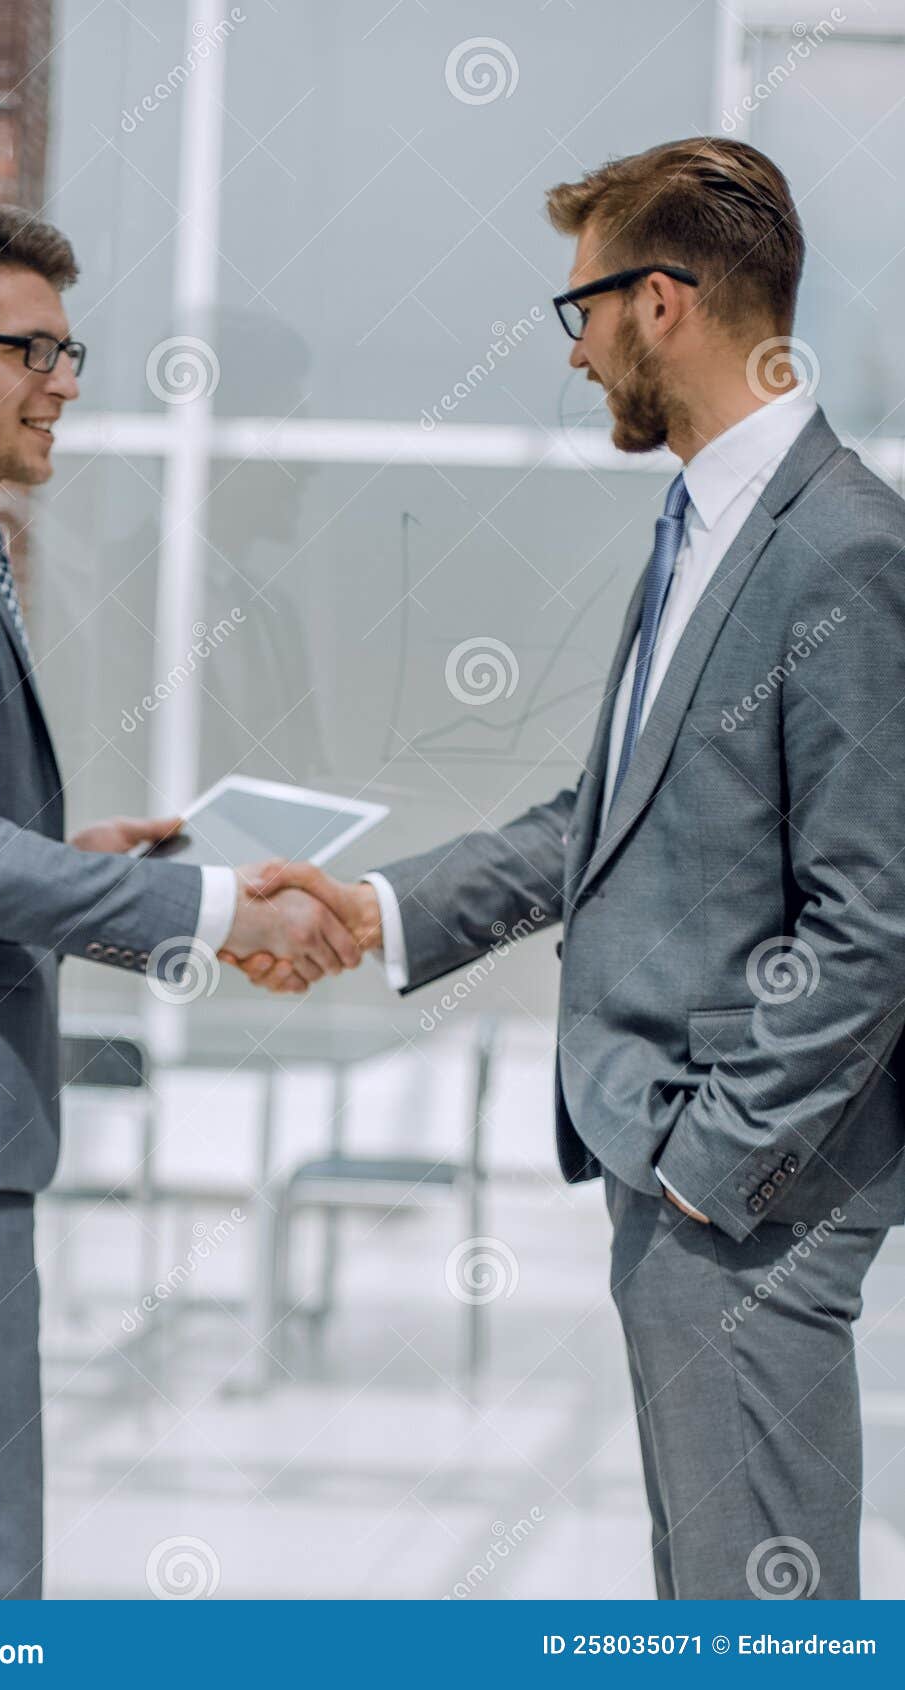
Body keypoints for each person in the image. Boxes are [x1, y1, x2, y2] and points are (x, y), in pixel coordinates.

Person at [232, 137, 905, 1600]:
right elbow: (599, 820)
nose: (578, 351)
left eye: (581, 310)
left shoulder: (840, 550)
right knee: (709, 1603)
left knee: (757, 1627)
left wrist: (713, 1167)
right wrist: (379, 907)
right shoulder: (701, 531)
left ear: (659, 302)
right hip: (683, 1183)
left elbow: (874, 921)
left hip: (745, 1199)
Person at [0, 196, 361, 1599]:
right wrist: (214, 908)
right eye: (31, 351)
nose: (66, 383)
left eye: (70, 350)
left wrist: (83, 852)